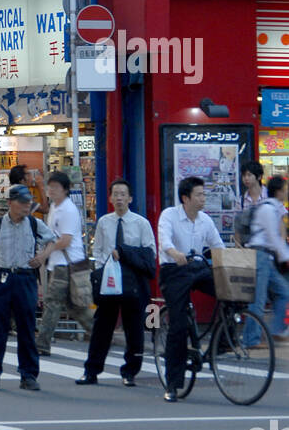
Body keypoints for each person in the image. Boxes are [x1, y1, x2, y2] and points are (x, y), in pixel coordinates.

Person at [76, 178, 156, 387]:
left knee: (134, 328)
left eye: (123, 194)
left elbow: (150, 251)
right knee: (102, 326)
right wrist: (104, 270)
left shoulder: (141, 223)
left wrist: (127, 256)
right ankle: (92, 370)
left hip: (133, 282)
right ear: (110, 198)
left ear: (130, 198)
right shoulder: (104, 221)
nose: (119, 198)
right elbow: (99, 249)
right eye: (116, 194)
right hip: (109, 281)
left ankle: (130, 371)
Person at [0, 185, 56, 391]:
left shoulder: (34, 223)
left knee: (27, 328)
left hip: (25, 278)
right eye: (22, 202)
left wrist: (42, 257)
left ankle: (28, 375)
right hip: (2, 277)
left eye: (28, 202)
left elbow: (52, 241)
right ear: (10, 203)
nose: (26, 206)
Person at [157, 175, 223, 402]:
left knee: (230, 293)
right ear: (185, 198)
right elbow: (165, 242)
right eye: (199, 195)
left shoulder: (205, 220)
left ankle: (222, 343)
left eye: (204, 194)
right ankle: (173, 385)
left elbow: (218, 247)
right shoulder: (169, 215)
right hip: (173, 270)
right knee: (178, 325)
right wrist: (175, 253)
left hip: (196, 269)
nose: (203, 198)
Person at [35, 171, 95, 355]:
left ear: (65, 189)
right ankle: (101, 334)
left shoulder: (68, 209)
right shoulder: (55, 206)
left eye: (55, 187)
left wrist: (45, 253)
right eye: (49, 186)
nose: (51, 190)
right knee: (75, 307)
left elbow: (65, 240)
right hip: (61, 263)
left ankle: (42, 344)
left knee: (53, 303)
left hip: (66, 264)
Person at [242, 174, 289, 347]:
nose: (286, 193)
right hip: (260, 256)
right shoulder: (268, 209)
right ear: (278, 192)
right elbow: (273, 237)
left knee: (284, 292)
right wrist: (285, 257)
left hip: (266, 257)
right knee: (258, 299)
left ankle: (276, 331)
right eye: (284, 189)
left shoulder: (273, 208)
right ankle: (250, 339)